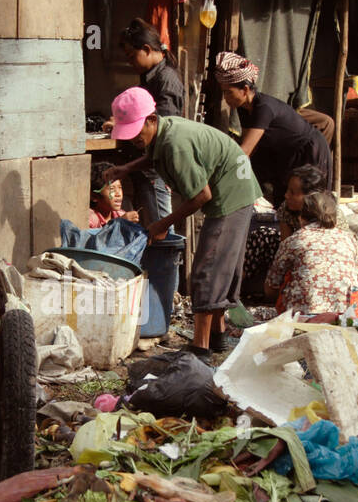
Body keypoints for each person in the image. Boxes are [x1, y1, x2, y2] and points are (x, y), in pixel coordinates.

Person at [110, 86, 260, 356]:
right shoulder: (164, 133)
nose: (133, 138)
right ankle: (217, 335)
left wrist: (163, 223)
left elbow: (202, 195)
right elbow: (154, 157)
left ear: (152, 119)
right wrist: (126, 168)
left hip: (232, 193)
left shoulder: (174, 143)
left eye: (136, 131)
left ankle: (200, 349)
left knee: (209, 268)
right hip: (236, 187)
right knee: (220, 267)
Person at [214, 51, 330, 207]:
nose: (226, 98)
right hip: (285, 155)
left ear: (246, 89)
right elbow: (249, 148)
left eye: (229, 92)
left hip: (308, 151)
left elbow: (245, 151)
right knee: (284, 204)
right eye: (224, 92)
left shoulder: (264, 107)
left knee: (308, 204)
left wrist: (218, 171)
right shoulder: (243, 108)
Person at [105, 19, 184, 224]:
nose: (130, 63)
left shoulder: (167, 79)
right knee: (152, 224)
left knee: (161, 225)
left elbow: (164, 122)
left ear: (147, 49)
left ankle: (170, 257)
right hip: (147, 164)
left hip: (156, 166)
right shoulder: (150, 77)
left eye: (132, 57)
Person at [242, 163, 344, 302]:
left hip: (324, 259)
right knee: (262, 235)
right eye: (287, 190)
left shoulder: (333, 214)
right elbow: (285, 246)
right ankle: (236, 287)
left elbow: (326, 250)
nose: (286, 195)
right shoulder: (286, 209)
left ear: (310, 196)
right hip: (296, 252)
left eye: (293, 192)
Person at [264, 191, 358, 321]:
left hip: (304, 317)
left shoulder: (295, 239)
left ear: (301, 218)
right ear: (335, 219)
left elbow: (271, 285)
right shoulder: (349, 239)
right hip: (348, 317)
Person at [87, 163, 140, 228]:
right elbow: (96, 237)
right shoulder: (90, 219)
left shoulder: (120, 214)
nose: (118, 194)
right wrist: (117, 224)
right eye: (112, 189)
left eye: (120, 187)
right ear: (94, 196)